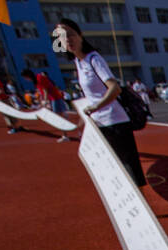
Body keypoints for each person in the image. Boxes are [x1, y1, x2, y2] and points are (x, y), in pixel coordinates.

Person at [56, 18, 146, 187]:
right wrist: (82, 122)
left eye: (70, 34)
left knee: (129, 169)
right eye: (62, 37)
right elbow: (90, 98)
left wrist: (96, 107)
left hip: (115, 121)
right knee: (113, 167)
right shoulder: (78, 62)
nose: (67, 39)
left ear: (80, 35)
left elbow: (114, 88)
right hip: (100, 123)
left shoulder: (94, 59)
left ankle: (141, 210)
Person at [22, 67, 72, 141]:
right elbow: (42, 91)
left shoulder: (39, 78)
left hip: (54, 97)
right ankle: (65, 134)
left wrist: (45, 101)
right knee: (58, 116)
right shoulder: (36, 80)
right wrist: (42, 101)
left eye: (25, 77)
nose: (26, 79)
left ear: (28, 76)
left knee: (58, 116)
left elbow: (45, 90)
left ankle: (65, 134)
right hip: (52, 98)